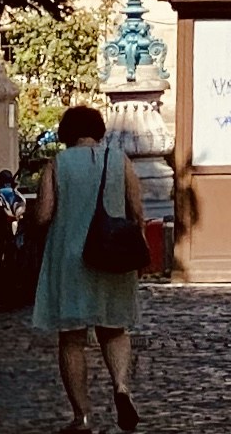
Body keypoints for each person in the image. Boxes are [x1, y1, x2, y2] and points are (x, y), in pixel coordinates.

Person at [31, 98, 141, 430]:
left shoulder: (58, 164)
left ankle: (82, 416)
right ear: (98, 131)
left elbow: (43, 215)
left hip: (70, 260)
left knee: (72, 339)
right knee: (114, 328)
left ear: (67, 133)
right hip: (114, 255)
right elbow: (136, 209)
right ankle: (121, 386)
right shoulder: (119, 160)